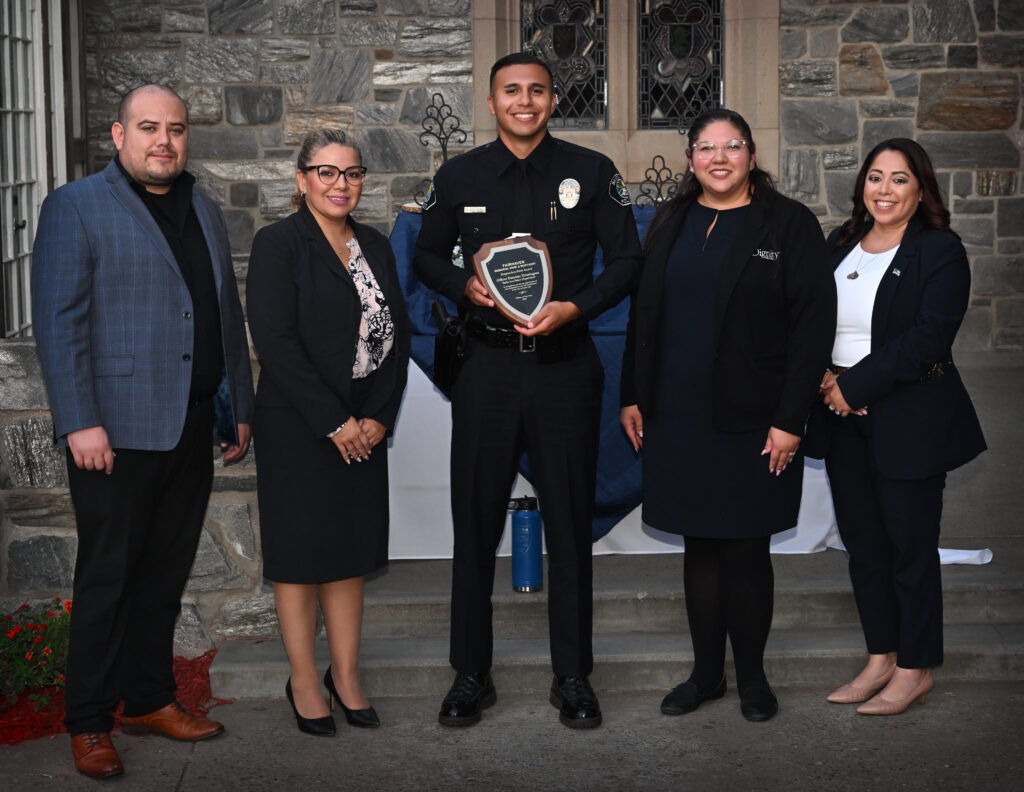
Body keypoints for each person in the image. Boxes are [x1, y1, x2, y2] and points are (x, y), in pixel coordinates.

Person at [413, 52, 642, 729]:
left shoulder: (591, 172)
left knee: (569, 526)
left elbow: (628, 259)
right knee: (475, 522)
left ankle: (572, 676)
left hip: (564, 368)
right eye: (511, 90)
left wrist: (577, 307)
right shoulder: (458, 176)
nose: (524, 101)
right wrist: (465, 286)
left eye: (537, 90)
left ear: (552, 100)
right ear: (491, 102)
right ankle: (470, 674)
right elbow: (425, 254)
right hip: (485, 370)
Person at [31, 84, 254, 778]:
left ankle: (150, 699)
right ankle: (89, 721)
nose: (164, 141)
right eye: (149, 127)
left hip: (190, 423)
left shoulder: (203, 208)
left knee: (163, 573)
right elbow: (60, 322)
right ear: (119, 133)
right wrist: (80, 421)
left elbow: (222, 312)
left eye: (176, 129)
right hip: (115, 432)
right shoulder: (75, 205)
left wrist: (237, 405)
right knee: (109, 578)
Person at [620, 108, 835, 722]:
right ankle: (706, 675)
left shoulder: (788, 223)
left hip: (755, 419)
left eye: (732, 146)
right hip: (677, 414)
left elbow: (812, 326)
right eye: (707, 148)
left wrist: (791, 419)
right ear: (690, 159)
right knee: (699, 546)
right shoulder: (670, 220)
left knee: (745, 547)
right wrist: (632, 394)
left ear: (751, 156)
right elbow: (645, 314)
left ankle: (753, 679)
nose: (719, 158)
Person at [246, 130, 410, 736]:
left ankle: (346, 676)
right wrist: (335, 422)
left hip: (364, 426)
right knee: (300, 558)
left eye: (352, 173)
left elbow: (396, 339)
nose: (341, 184)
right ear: (302, 179)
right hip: (299, 426)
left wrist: (377, 418)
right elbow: (276, 343)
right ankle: (304, 681)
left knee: (348, 555)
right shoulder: (278, 244)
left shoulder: (376, 246)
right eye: (327, 172)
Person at [814, 138, 986, 715]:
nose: (883, 190)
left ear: (920, 188)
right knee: (864, 548)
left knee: (910, 549)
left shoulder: (940, 251)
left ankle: (916, 668)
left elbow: (928, 338)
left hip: (910, 417)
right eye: (875, 177)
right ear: (861, 184)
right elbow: (806, 317)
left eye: (899, 179)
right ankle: (881, 658)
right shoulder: (840, 243)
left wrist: (855, 386)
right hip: (840, 414)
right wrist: (825, 380)